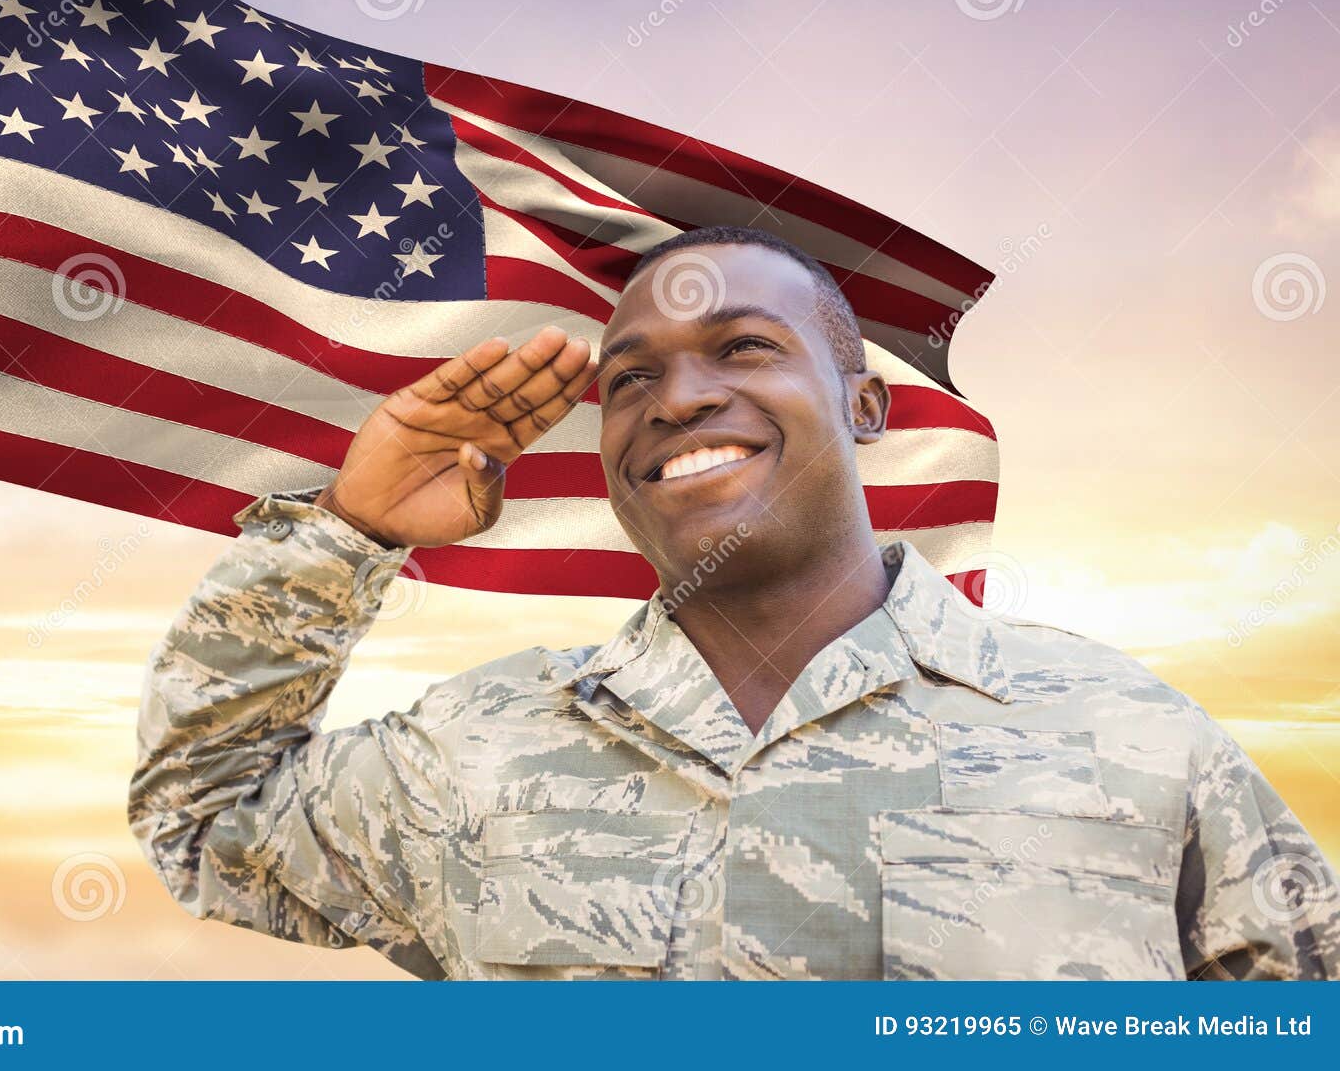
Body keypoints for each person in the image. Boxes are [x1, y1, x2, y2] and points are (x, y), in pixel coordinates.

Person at [130, 226, 1338, 980]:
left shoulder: (1132, 741)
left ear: (864, 408)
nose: (677, 398)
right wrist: (349, 533)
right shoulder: (472, 754)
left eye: (746, 349)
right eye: (632, 378)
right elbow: (204, 819)